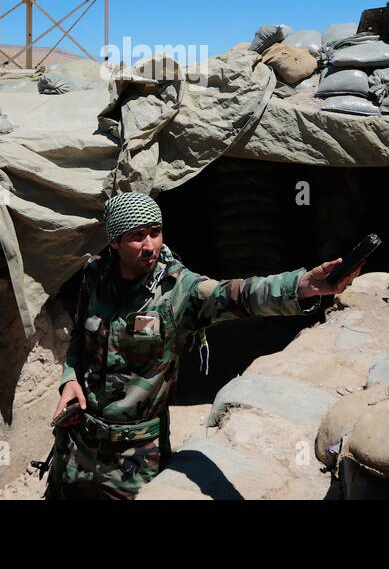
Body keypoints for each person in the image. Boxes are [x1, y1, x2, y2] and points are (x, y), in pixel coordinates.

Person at [44, 191, 363, 499]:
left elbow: (241, 294)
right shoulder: (95, 277)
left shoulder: (179, 291)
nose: (149, 245)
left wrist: (304, 285)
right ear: (114, 241)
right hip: (76, 445)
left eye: (155, 233)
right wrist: (69, 378)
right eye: (137, 236)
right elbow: (79, 339)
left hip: (134, 456)